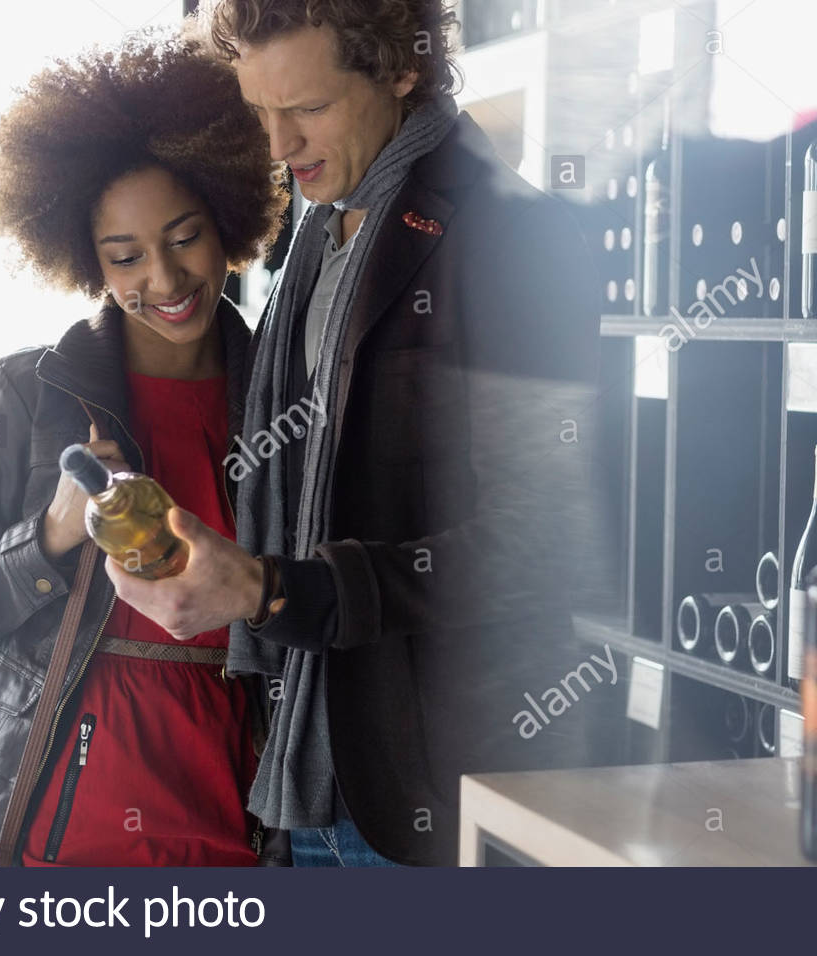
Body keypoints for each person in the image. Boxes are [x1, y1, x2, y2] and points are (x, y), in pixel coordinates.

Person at [108, 0, 602, 866]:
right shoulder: (319, 235)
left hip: (437, 795)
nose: (277, 145)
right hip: (310, 780)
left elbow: (543, 541)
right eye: (259, 112)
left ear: (402, 68)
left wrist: (273, 592)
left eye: (306, 109)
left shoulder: (514, 237)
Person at [0, 29, 286, 866]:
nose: (166, 278)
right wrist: (48, 539)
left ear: (228, 224)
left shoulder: (289, 401)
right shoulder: (18, 396)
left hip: (238, 828)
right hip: (56, 834)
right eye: (126, 256)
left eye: (185, 237)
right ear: (90, 263)